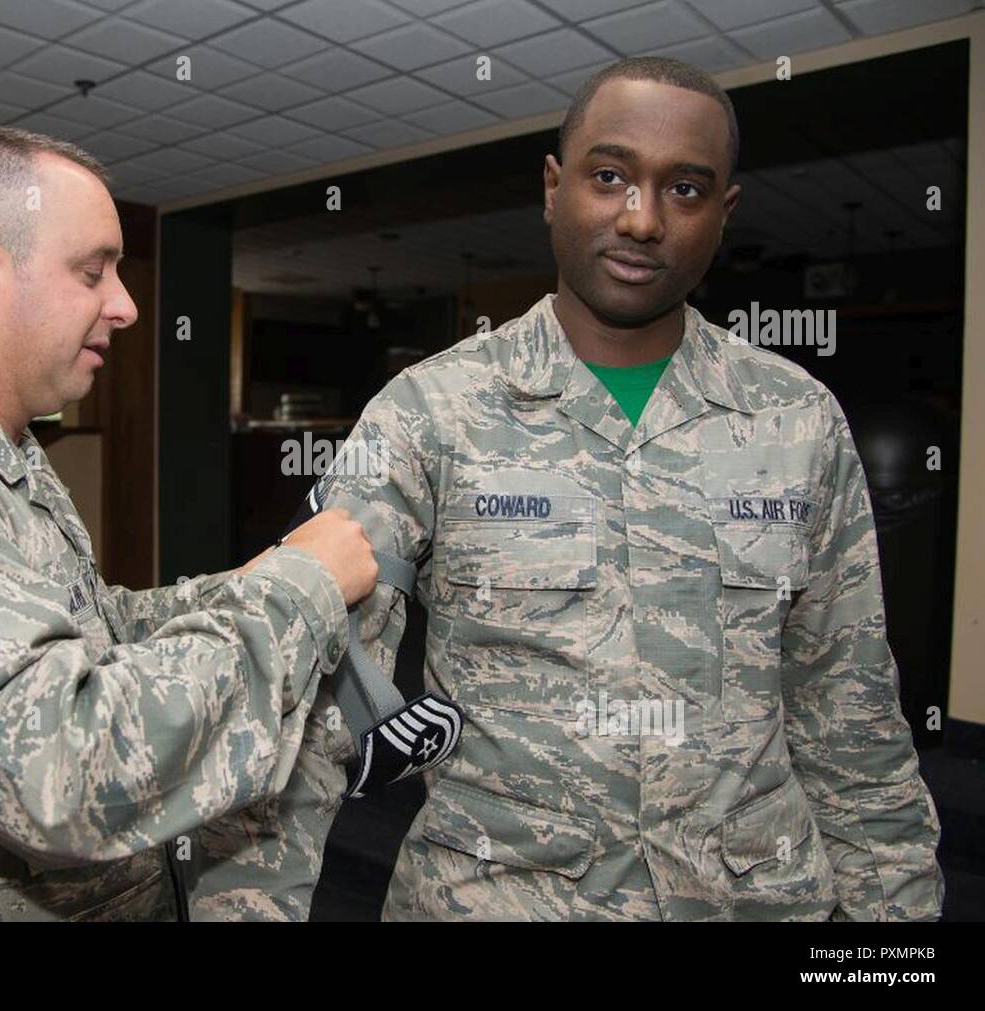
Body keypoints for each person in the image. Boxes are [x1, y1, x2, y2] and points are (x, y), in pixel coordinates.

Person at [189, 57, 944, 921]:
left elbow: (852, 721)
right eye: (611, 175)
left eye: (686, 189)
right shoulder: (432, 411)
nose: (643, 218)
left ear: (722, 215)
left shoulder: (798, 420)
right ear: (555, 188)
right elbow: (315, 689)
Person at [0, 125, 377, 921]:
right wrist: (303, 590)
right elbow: (62, 767)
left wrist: (255, 580)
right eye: (93, 272)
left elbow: (92, 630)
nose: (124, 305)